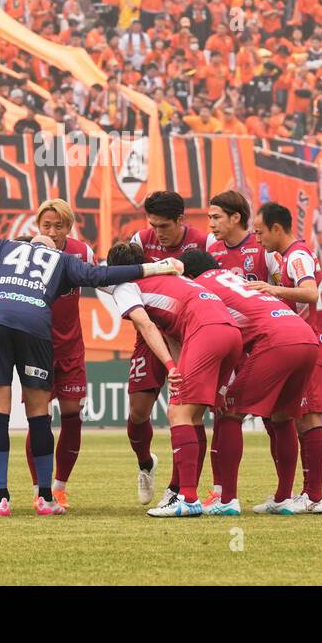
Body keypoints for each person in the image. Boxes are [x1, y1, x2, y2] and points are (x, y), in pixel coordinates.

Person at [0, 226, 180, 515]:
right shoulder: (63, 259)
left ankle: (1, 499)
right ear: (53, 249)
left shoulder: (5, 247)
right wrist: (155, 267)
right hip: (34, 326)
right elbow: (100, 276)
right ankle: (45, 497)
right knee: (38, 413)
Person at [180, 249, 322, 515]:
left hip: (277, 340)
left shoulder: (198, 287)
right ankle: (283, 498)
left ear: (188, 276)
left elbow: (220, 336)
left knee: (230, 413)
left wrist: (220, 386)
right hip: (305, 337)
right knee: (282, 418)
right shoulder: (233, 279)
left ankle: (228, 501)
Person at [103, 242, 240, 518]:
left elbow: (146, 324)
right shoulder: (168, 276)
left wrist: (168, 365)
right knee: (195, 416)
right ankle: (185, 493)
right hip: (230, 331)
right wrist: (178, 364)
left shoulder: (126, 285)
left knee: (178, 412)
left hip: (207, 333)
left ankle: (187, 499)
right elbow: (175, 329)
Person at [123, 190, 209, 507]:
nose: (158, 232)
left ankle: (179, 489)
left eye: (164, 226)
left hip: (189, 337)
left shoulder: (202, 242)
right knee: (137, 413)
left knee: (184, 413)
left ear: (181, 221)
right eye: (153, 225)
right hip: (150, 335)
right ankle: (146, 463)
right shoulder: (140, 240)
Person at [249, 201, 322, 514]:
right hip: (301, 345)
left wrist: (273, 290)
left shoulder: (296, 255)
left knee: (308, 418)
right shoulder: (291, 256)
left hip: (310, 344)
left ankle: (313, 497)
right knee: (290, 417)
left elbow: (310, 293)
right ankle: (290, 495)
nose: (258, 239)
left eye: (260, 232)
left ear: (277, 229)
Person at [202, 189, 277, 510]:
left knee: (277, 418)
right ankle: (220, 492)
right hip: (228, 345)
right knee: (222, 414)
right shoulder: (211, 249)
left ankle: (286, 493)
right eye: (209, 218)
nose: (211, 224)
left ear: (236, 217)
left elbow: (281, 293)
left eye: (216, 217)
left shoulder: (264, 250)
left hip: (262, 346)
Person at [20, 198, 94, 509]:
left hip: (71, 348)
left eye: (58, 225)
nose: (51, 231)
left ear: (69, 227)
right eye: (46, 225)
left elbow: (100, 280)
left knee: (72, 415)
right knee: (38, 418)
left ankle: (60, 487)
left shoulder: (82, 252)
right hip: (37, 348)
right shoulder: (25, 254)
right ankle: (41, 488)